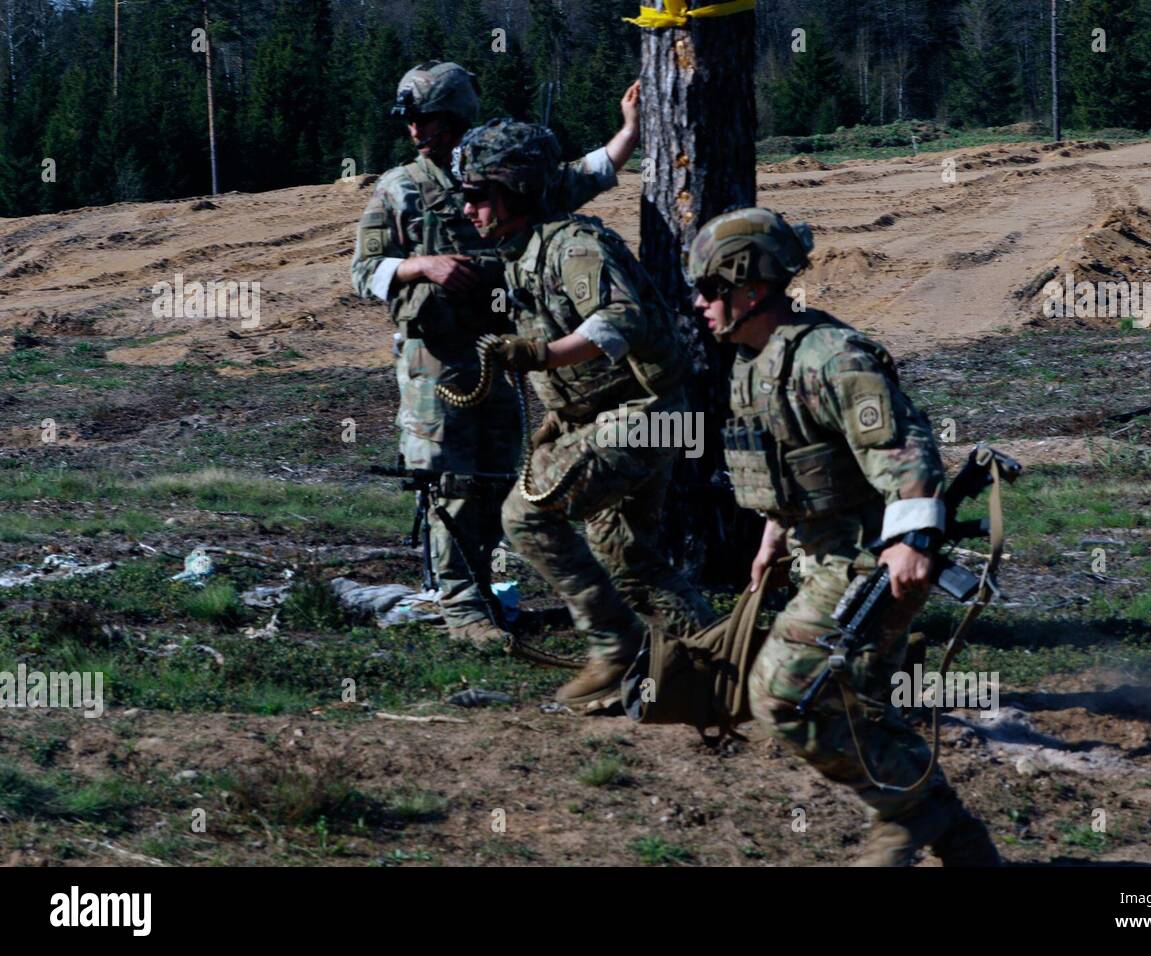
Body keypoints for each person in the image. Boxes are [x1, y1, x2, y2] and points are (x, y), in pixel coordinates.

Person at [686, 206, 999, 866]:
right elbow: (797, 463)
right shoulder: (754, 360)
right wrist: (774, 535)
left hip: (868, 560)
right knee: (851, 702)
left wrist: (911, 541)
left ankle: (908, 812)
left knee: (784, 698)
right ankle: (964, 847)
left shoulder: (832, 359)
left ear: (749, 285)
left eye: (709, 288)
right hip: (819, 552)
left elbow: (903, 449)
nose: (699, 303)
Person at [350, 62, 642, 648]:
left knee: (495, 474)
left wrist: (630, 130)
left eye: (426, 120)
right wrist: (421, 265)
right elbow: (362, 271)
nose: (415, 132)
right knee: (447, 479)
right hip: (435, 360)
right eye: (410, 122)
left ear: (457, 117)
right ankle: (460, 607)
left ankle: (479, 589)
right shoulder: (399, 188)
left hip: (505, 354)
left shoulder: (501, 171)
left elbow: (583, 175)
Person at [457, 118, 715, 709]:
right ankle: (719, 661)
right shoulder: (525, 252)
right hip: (621, 416)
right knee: (629, 560)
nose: (469, 211)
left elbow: (617, 320)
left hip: (645, 416)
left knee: (525, 517)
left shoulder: (573, 246)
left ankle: (615, 645)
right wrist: (562, 412)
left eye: (477, 196)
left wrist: (542, 355)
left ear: (514, 189)